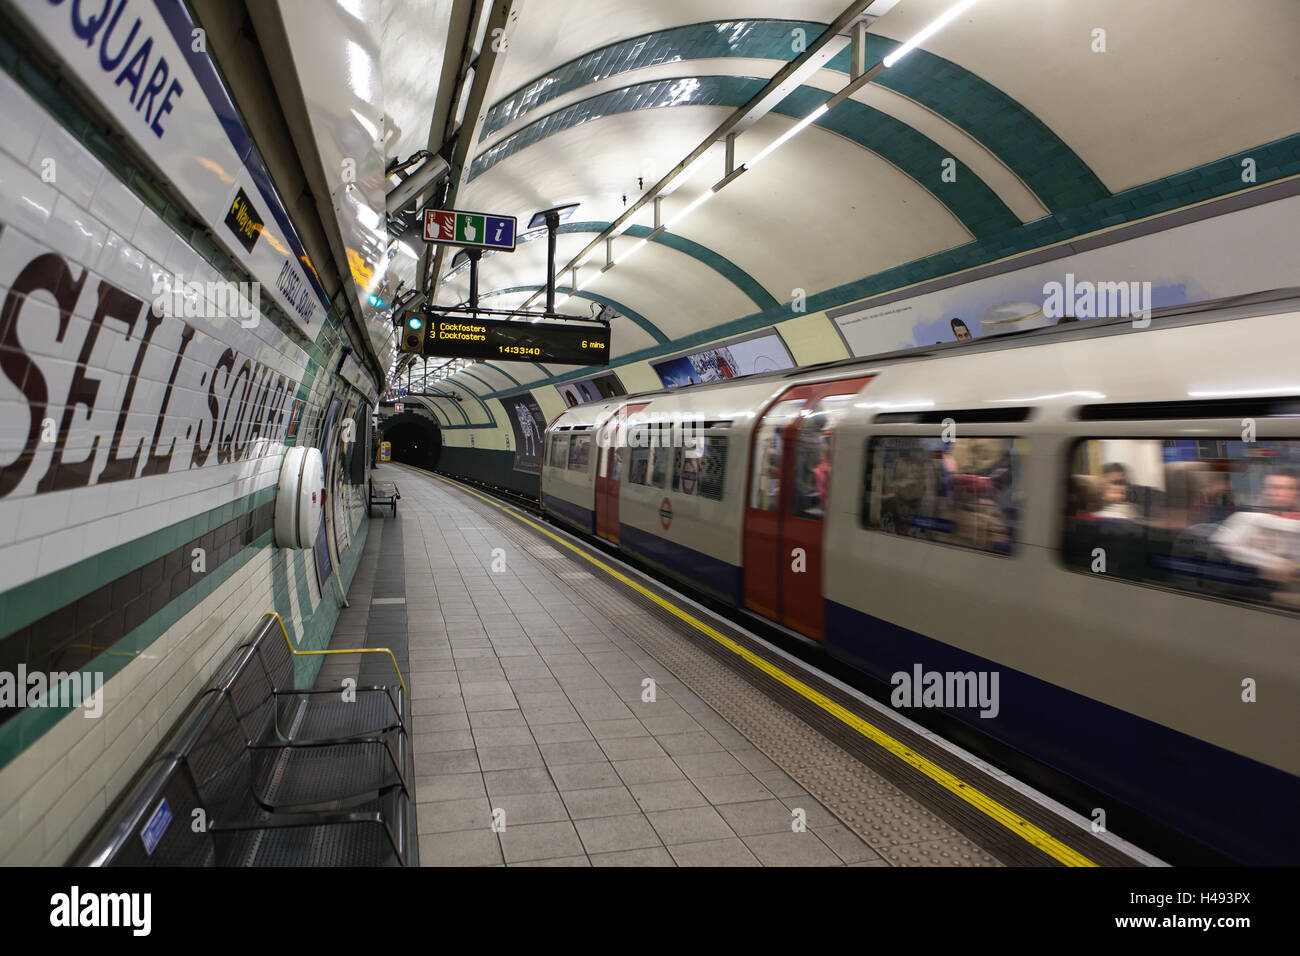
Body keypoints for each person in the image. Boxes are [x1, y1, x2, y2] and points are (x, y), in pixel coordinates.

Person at [1211, 468, 1300, 594]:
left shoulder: (1295, 525)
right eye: (1271, 487)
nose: (1275, 492)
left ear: (1296, 492)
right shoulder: (1246, 519)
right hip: (1251, 591)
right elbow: (1223, 545)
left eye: (1283, 487)